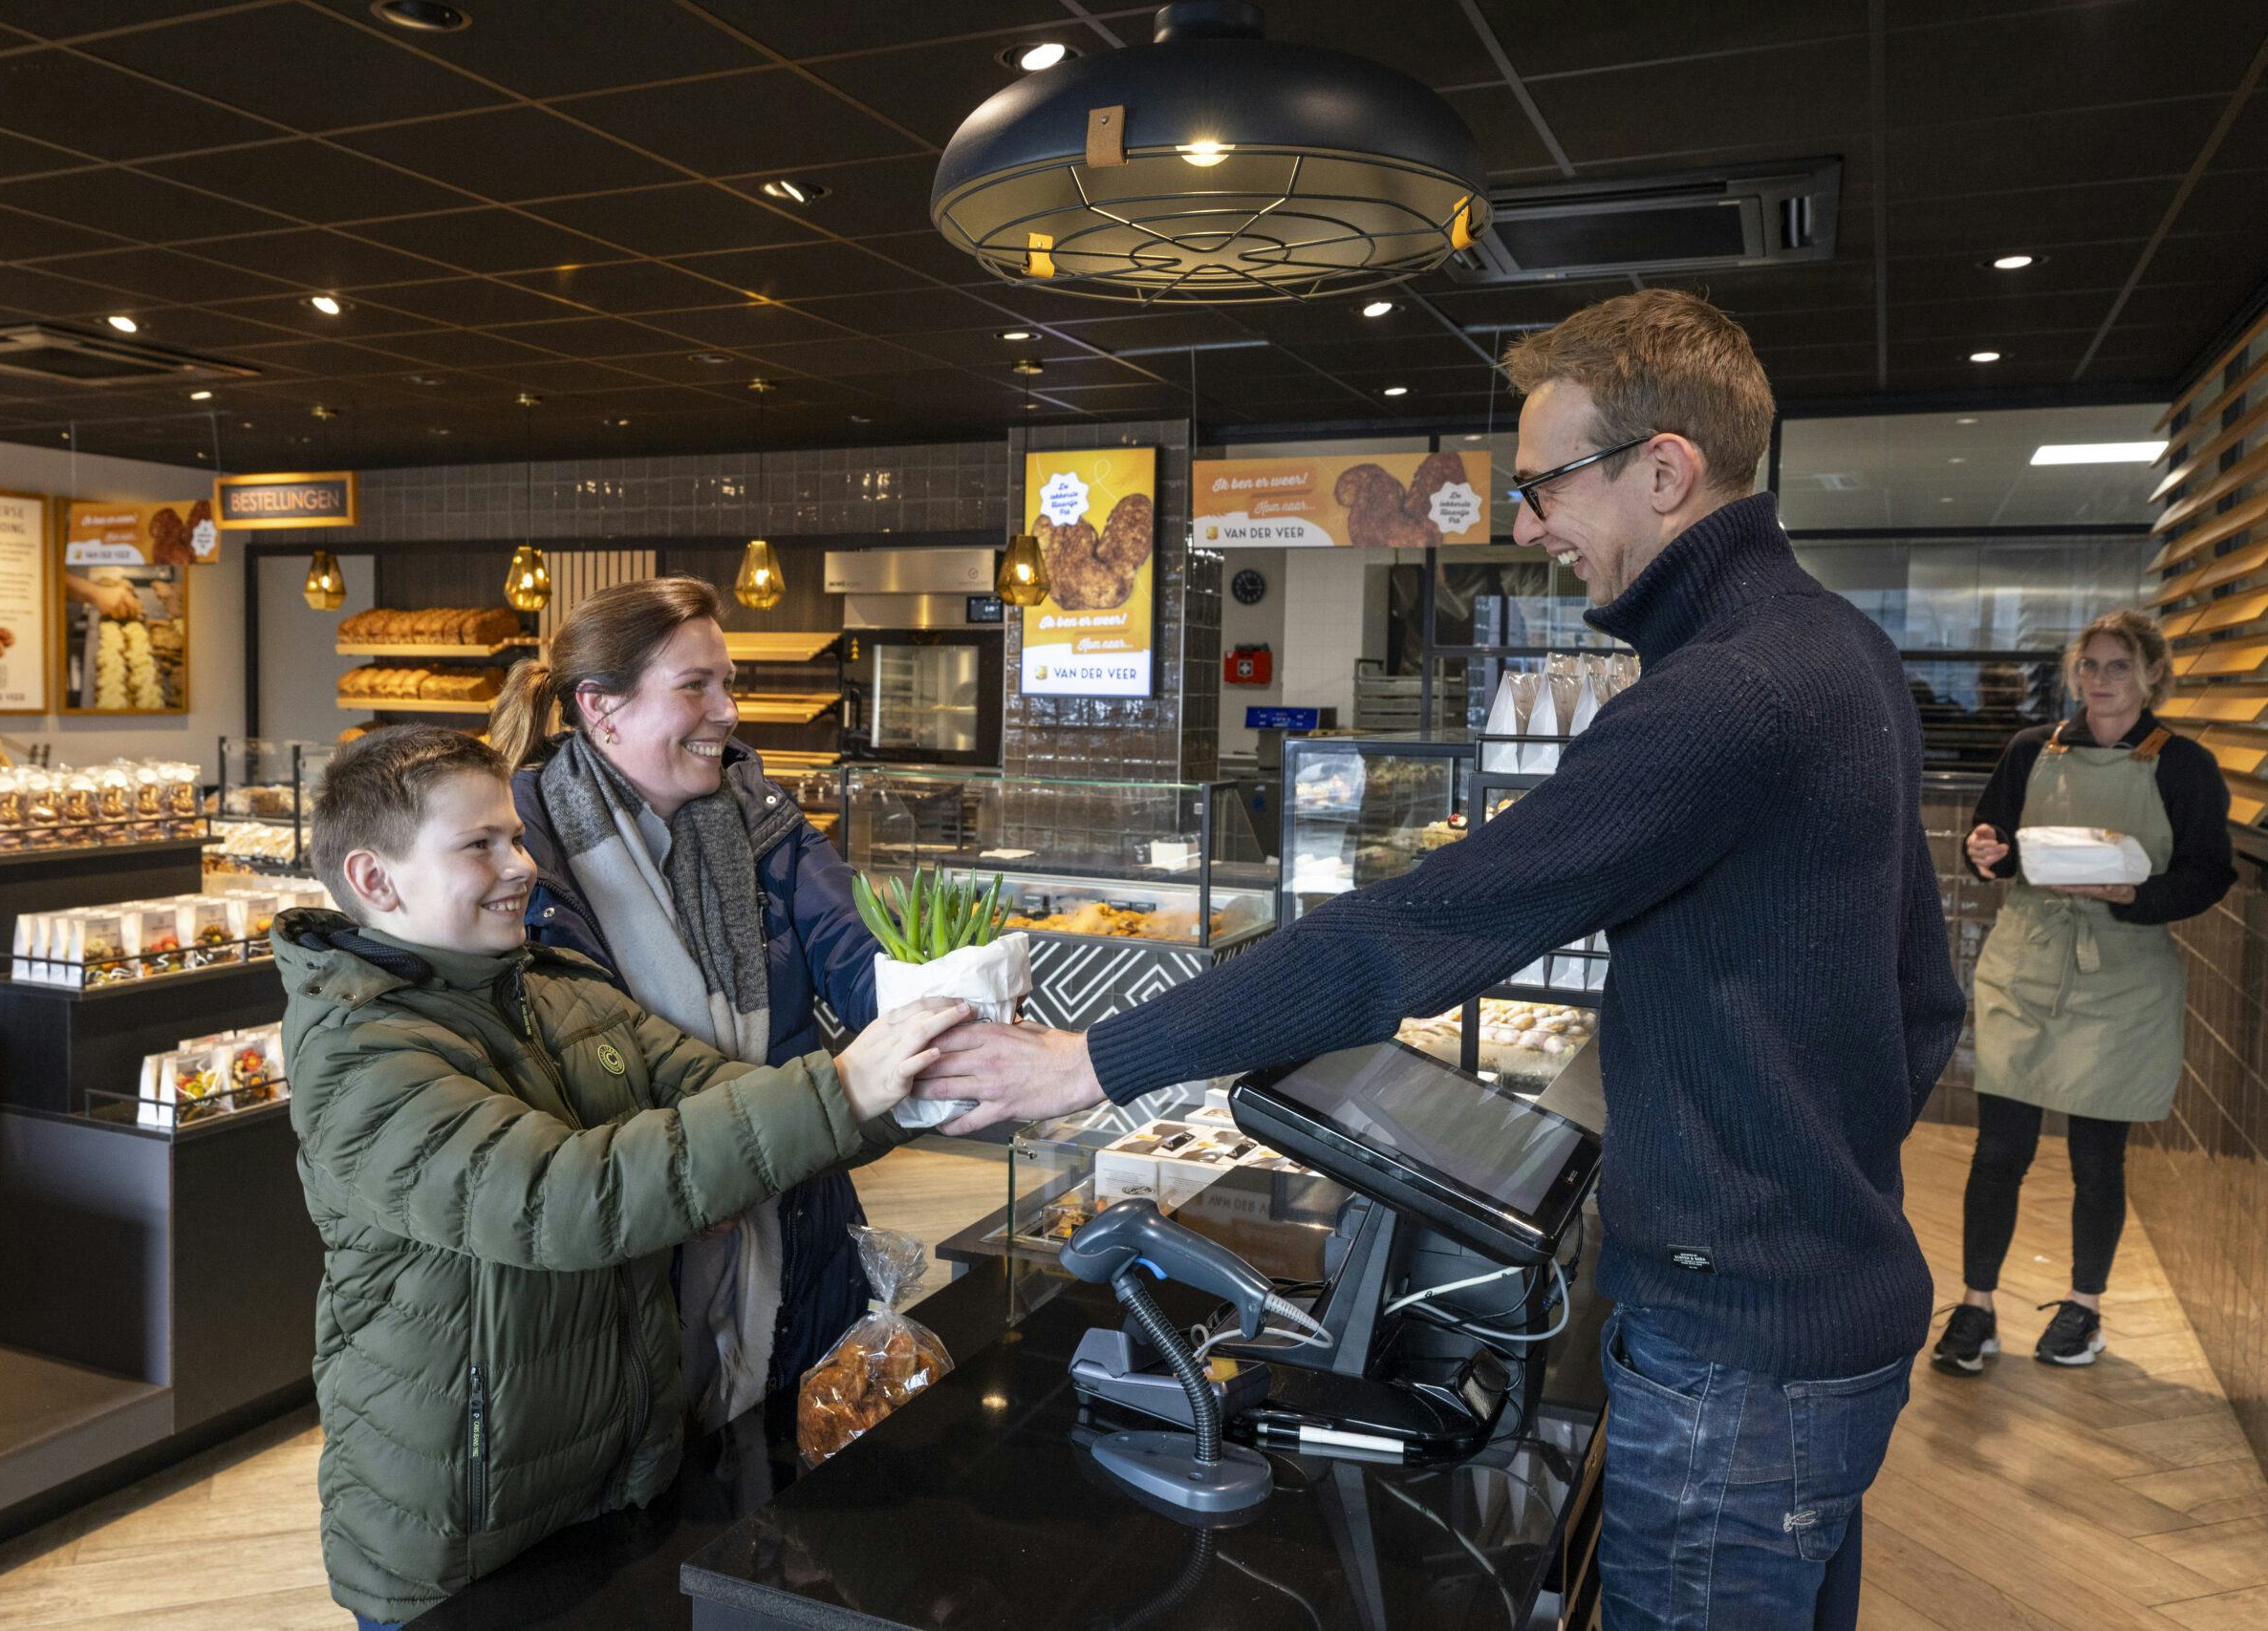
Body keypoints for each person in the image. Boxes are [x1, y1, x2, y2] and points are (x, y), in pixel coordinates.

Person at [918, 288, 1969, 1631]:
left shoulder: (1725, 696)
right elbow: (1921, 1002)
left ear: (1664, 469)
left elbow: (1408, 934)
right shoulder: (1843, 650)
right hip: (1818, 1318)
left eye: (1543, 485)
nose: (1526, 527)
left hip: (1735, 1361)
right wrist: (1802, 1167)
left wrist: (1087, 1059)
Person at [278, 724, 963, 1629]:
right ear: (374, 879)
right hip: (459, 1530)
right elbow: (564, 1197)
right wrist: (840, 1086)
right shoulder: (360, 1051)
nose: (520, 865)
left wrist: (923, 1088)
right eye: (478, 845)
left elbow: (731, 1103)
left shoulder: (555, 987)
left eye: (514, 836)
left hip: (611, 1488)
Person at [492, 577, 899, 1432]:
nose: (729, 712)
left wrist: (938, 1002)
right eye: (695, 686)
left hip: (800, 1221)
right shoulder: (523, 856)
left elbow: (866, 965)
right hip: (638, 1260)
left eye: (730, 682)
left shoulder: (764, 817)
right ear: (601, 708)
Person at [1932, 611, 2234, 1377]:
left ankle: (2084, 1307)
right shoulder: (2034, 749)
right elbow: (1991, 844)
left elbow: (2208, 872)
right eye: (2091, 666)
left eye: (2119, 667)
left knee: (2098, 1159)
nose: (2101, 681)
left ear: (2152, 676)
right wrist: (1984, 851)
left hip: (2122, 982)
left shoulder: (2184, 765)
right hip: (2026, 966)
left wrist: (2135, 892)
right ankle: (1976, 1305)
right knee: (1999, 1149)